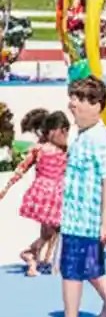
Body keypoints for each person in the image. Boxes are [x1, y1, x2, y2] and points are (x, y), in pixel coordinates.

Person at [36, 76, 106, 317]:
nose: (72, 105)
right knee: (90, 269)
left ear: (96, 105)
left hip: (85, 220)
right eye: (71, 99)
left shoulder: (101, 139)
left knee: (72, 270)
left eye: (78, 101)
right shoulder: (83, 135)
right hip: (74, 217)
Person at [1, 110, 70, 276]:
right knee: (53, 229)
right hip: (47, 194)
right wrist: (6, 188)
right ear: (52, 131)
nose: (65, 135)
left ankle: (37, 260)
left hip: (53, 194)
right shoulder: (41, 149)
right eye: (63, 131)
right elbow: (21, 168)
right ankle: (32, 254)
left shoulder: (60, 149)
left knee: (49, 230)